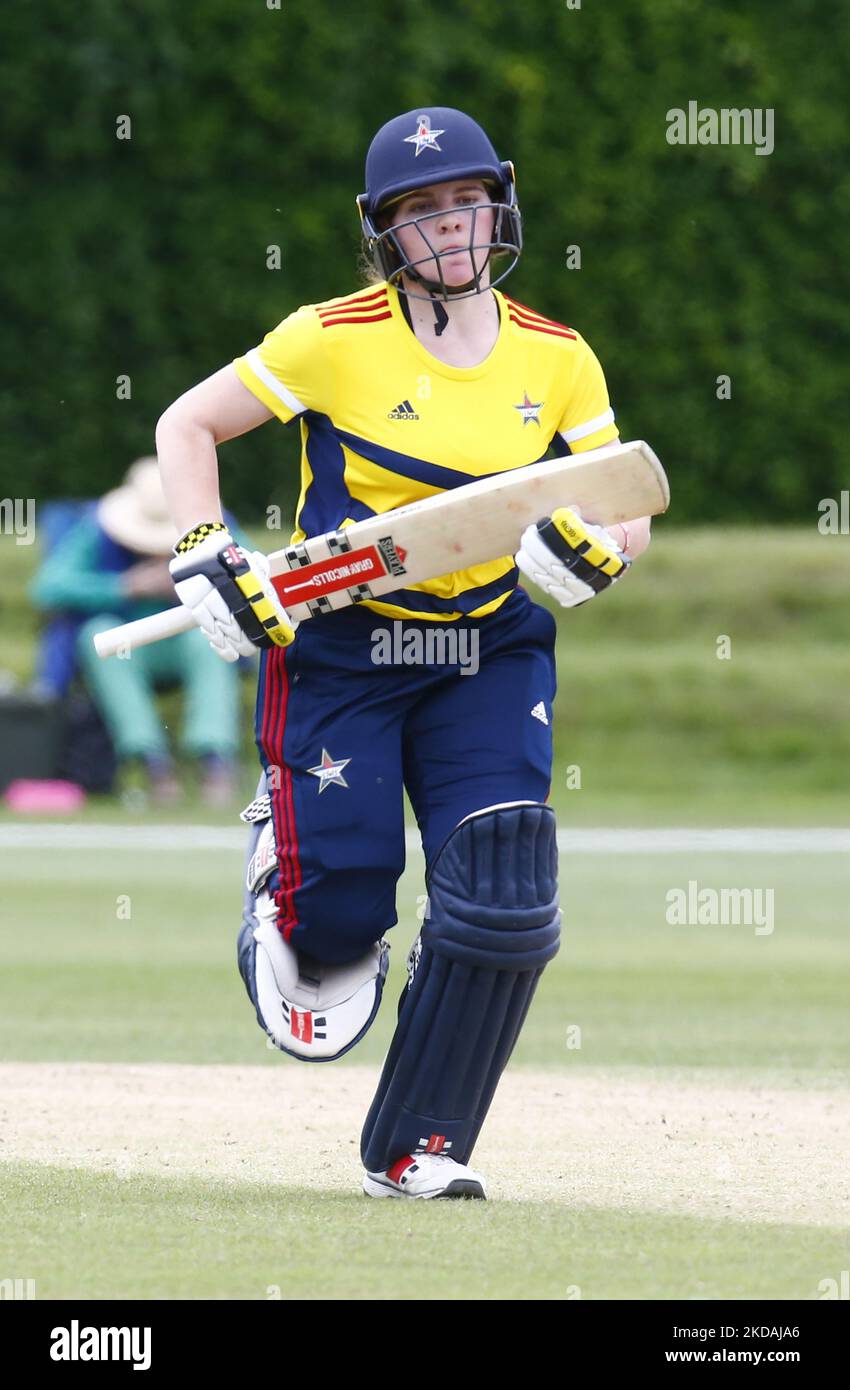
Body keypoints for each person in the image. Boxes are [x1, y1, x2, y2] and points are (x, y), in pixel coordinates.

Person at [156, 106, 652, 1199]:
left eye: (465, 200)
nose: (450, 227)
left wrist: (599, 549)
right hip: (343, 646)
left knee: (508, 894)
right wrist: (204, 549)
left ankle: (418, 1144)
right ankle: (285, 867)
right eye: (420, 210)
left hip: (490, 647)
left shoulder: (558, 357)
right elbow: (186, 426)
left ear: (500, 203)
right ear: (383, 231)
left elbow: (623, 501)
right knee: (335, 933)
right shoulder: (326, 339)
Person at [30, 457, 245, 806]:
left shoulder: (215, 525)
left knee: (210, 637)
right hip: (128, 644)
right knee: (98, 635)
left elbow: (257, 574)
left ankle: (215, 759)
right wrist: (125, 587)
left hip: (192, 639)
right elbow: (48, 587)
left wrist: (206, 583)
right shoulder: (96, 527)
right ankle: (152, 762)